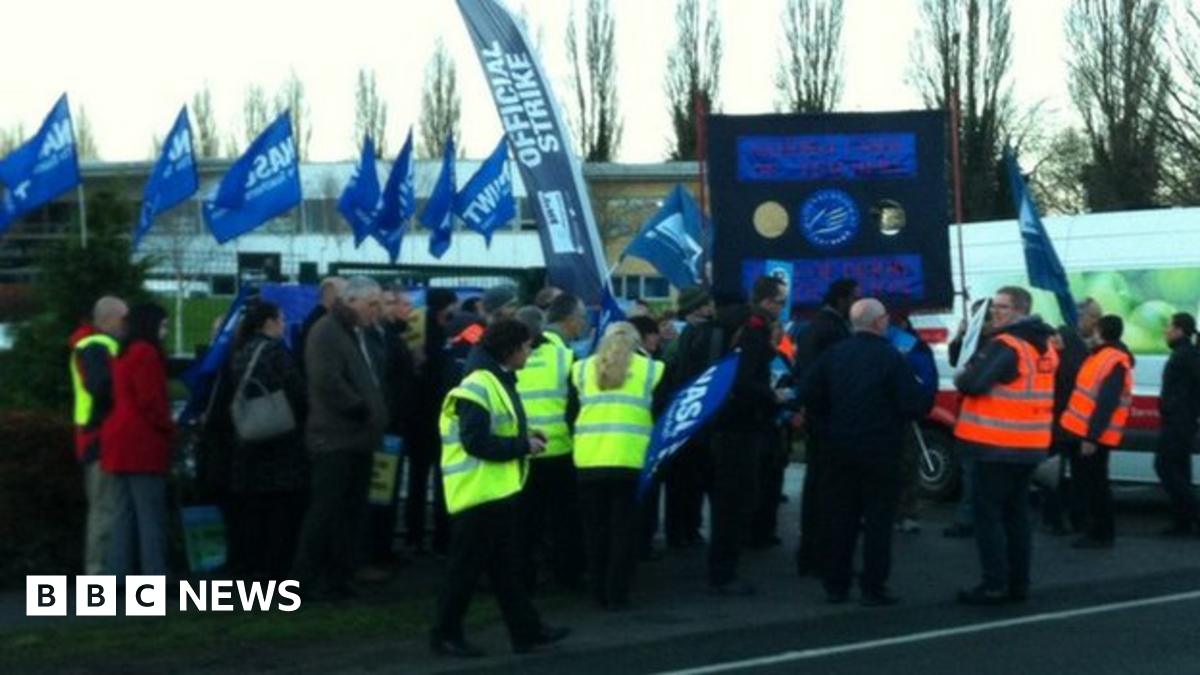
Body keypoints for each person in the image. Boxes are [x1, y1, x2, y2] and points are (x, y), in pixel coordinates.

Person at [431, 319, 570, 658]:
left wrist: (525, 435)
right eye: (525, 348)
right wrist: (523, 447)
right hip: (479, 493)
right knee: (467, 572)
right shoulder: (481, 384)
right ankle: (446, 635)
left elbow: (491, 429)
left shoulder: (493, 379)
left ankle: (527, 631)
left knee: (503, 570)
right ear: (509, 350)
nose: (529, 354)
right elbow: (476, 442)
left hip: (491, 491)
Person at [801, 299, 934, 606]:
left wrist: (828, 420)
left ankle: (836, 583)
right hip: (881, 448)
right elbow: (913, 404)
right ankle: (873, 585)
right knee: (878, 520)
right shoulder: (891, 358)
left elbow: (807, 392)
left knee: (841, 518)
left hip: (839, 447)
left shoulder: (834, 355)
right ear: (878, 323)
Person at [954, 286, 1059, 605]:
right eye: (994, 308)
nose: (995, 313)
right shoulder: (1044, 346)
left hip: (995, 444)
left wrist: (965, 371)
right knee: (1017, 517)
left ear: (1020, 311)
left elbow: (972, 382)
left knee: (989, 519)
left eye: (1002, 308)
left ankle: (994, 583)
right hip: (1029, 445)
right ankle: (1018, 582)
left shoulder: (1006, 344)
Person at [294, 277, 389, 599]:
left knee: (349, 513)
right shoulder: (327, 331)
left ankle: (339, 578)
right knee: (325, 512)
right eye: (372, 304)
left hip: (355, 438)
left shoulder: (351, 331)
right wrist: (359, 409)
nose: (377, 311)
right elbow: (326, 379)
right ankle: (302, 581)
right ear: (352, 301)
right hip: (336, 438)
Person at [573, 322, 664, 609]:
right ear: (637, 342)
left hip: (589, 459)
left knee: (595, 530)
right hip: (630, 458)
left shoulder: (581, 369)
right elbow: (661, 413)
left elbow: (570, 413)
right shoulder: (652, 370)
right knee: (624, 531)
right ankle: (618, 593)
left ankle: (597, 590)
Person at [709, 277, 788, 595]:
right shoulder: (753, 329)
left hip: (724, 423)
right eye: (781, 302)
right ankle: (724, 572)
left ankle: (723, 565)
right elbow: (744, 382)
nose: (783, 308)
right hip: (742, 425)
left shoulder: (728, 324)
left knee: (729, 499)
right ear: (767, 301)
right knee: (735, 500)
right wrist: (773, 397)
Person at [228, 300, 309, 580]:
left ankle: (252, 564)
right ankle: (276, 569)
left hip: (250, 438)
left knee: (256, 510)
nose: (284, 325)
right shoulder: (274, 351)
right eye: (281, 319)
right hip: (279, 438)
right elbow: (295, 390)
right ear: (270, 322)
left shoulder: (240, 350)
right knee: (281, 510)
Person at [515, 294, 588, 593]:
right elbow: (576, 406)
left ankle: (525, 579)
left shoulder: (520, 353)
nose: (583, 324)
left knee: (525, 523)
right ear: (570, 321)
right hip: (558, 451)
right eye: (582, 318)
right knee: (563, 522)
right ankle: (566, 576)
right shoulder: (566, 357)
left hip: (521, 450)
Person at [102, 302, 174, 579]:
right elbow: (151, 401)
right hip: (142, 440)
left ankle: (117, 574)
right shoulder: (147, 353)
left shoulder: (124, 353)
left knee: (123, 513)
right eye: (164, 325)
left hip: (118, 439)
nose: (165, 330)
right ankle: (155, 576)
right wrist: (168, 428)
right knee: (150, 515)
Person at [793, 278, 859, 577]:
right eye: (854, 298)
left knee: (817, 484)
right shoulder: (832, 330)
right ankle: (821, 553)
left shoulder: (814, 326)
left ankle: (810, 551)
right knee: (828, 489)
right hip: (830, 418)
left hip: (818, 416)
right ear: (842, 299)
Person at [1060, 315, 1134, 549]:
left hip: (1094, 436)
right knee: (1090, 483)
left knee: (1096, 486)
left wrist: (1092, 437)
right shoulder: (1103, 356)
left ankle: (1101, 533)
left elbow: (1106, 403)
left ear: (1100, 330)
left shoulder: (1112, 360)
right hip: (1086, 432)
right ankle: (1095, 530)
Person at [70, 296, 127, 575]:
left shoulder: (91, 344)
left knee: (104, 507)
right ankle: (98, 574)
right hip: (100, 436)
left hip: (93, 435)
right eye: (122, 319)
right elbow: (101, 387)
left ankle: (102, 571)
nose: (126, 325)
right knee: (104, 509)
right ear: (106, 320)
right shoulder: (97, 347)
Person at [663, 287, 718, 549]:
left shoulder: (677, 336)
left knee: (681, 480)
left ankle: (679, 530)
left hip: (677, 416)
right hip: (695, 416)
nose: (711, 308)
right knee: (691, 479)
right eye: (707, 304)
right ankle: (687, 529)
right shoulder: (700, 335)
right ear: (697, 307)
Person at [407, 288, 459, 555]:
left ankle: (416, 536)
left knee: (419, 480)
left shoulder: (419, 328)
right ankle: (438, 536)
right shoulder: (443, 334)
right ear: (445, 308)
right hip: (432, 418)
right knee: (436, 480)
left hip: (420, 419)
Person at [1043, 298, 1101, 535]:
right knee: (1062, 474)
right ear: (1080, 317)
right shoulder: (1070, 343)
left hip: (1066, 421)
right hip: (1064, 421)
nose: (1098, 323)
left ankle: (1060, 519)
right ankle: (1062, 519)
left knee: (1063, 474)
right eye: (1095, 317)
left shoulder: (1068, 341)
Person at [944, 297, 994, 539]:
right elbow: (956, 360)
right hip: (971, 419)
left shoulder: (994, 345)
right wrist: (960, 337)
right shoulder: (974, 341)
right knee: (971, 473)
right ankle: (970, 519)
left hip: (984, 421)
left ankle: (970, 520)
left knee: (974, 474)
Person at [887, 314, 938, 535]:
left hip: (902, 416)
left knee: (906, 464)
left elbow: (927, 379)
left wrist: (919, 406)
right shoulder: (885, 344)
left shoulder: (915, 347)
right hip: (889, 414)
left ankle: (905, 512)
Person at [1155, 312, 1200, 536]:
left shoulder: (1185, 356)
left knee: (1164, 467)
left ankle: (1193, 514)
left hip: (1178, 422)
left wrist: (1172, 407)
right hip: (1183, 420)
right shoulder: (1187, 353)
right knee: (1180, 471)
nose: (1166, 331)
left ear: (1180, 330)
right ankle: (1182, 522)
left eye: (1169, 327)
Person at [628, 314, 666, 558]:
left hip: (600, 449)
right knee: (643, 501)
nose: (659, 339)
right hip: (643, 443)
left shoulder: (594, 365)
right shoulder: (651, 368)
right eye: (655, 334)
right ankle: (642, 545)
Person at [297, 276, 347, 374]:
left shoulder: (321, 318)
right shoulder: (320, 322)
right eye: (343, 294)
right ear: (329, 293)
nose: (345, 300)